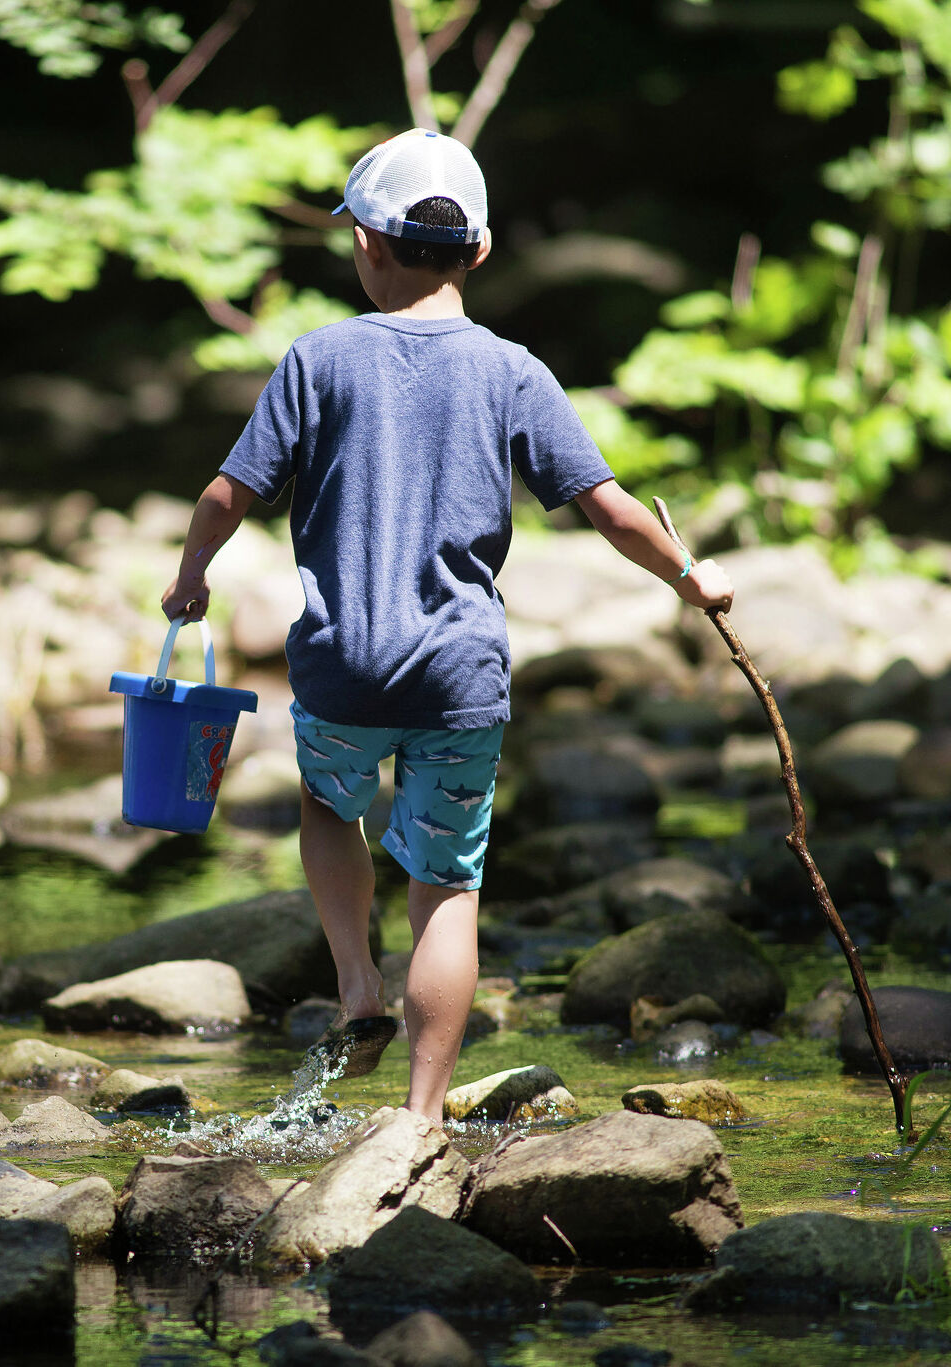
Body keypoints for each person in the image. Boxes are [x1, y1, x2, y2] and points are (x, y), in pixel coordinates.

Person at [161, 129, 734, 1123]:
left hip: (344, 668)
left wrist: (189, 578)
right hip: (459, 678)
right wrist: (690, 578)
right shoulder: (512, 370)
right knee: (445, 884)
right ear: (477, 252)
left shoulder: (317, 357)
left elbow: (224, 494)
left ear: (367, 246)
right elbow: (607, 508)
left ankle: (354, 981)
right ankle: (422, 1118)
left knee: (326, 803)